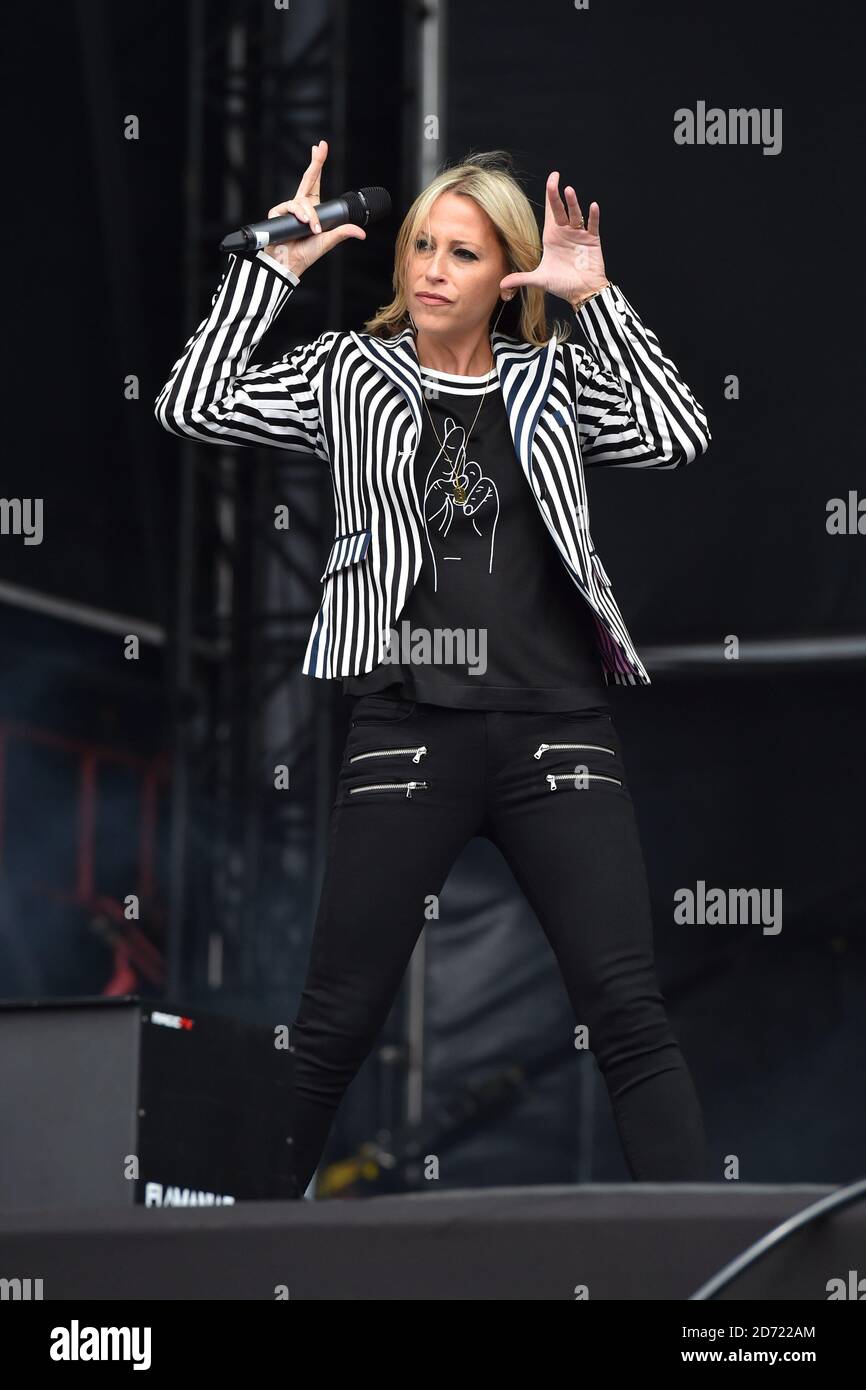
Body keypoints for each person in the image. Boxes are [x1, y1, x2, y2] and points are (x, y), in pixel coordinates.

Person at [155, 141, 713, 1192]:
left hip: (557, 728)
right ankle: (230, 1254)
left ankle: (707, 1262)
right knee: (332, 1020)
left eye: (460, 252)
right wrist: (271, 272)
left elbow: (674, 435)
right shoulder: (347, 376)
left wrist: (596, 299)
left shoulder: (554, 380)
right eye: (419, 244)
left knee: (627, 1011)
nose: (430, 269)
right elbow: (191, 401)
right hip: (408, 726)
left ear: (507, 271)